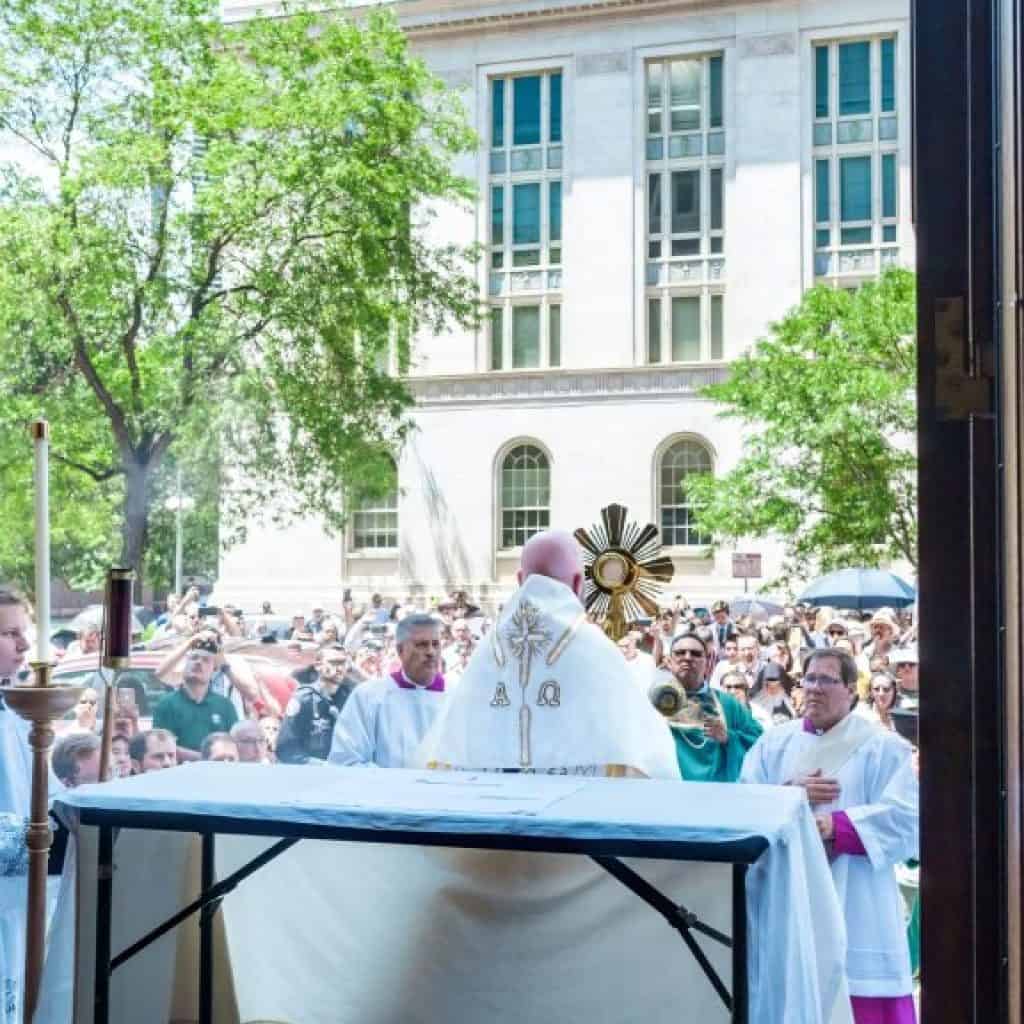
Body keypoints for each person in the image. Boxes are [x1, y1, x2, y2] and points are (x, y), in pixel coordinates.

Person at [741, 647, 918, 1023]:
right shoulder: (774, 744)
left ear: (852, 689)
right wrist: (786, 796)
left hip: (858, 903)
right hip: (790, 897)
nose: (815, 688)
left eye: (827, 679)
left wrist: (835, 827)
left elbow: (910, 819)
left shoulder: (882, 748)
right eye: (809, 678)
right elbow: (745, 805)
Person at [419, 530, 679, 778]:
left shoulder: (486, 652)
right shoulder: (597, 651)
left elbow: (445, 748)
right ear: (578, 583)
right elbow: (652, 758)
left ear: (520, 580)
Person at [328, 614, 448, 768]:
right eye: (422, 644)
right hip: (388, 790)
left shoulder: (457, 696)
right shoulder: (369, 696)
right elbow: (346, 760)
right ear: (400, 650)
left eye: (436, 644)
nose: (431, 652)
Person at [657, 633, 761, 782]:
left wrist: (729, 738)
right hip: (669, 787)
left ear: (707, 662)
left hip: (717, 792)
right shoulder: (653, 703)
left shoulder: (727, 704)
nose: (687, 657)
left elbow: (759, 743)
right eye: (680, 653)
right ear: (669, 661)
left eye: (696, 654)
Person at [152, 634, 239, 761]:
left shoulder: (225, 706)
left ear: (214, 670)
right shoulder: (166, 704)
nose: (198, 662)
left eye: (206, 660)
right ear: (184, 665)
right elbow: (161, 746)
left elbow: (235, 745)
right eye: (194, 658)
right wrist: (204, 760)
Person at [278, 645, 358, 764]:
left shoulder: (351, 699)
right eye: (334, 663)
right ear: (318, 666)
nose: (340, 668)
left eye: (343, 663)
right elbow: (286, 749)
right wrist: (321, 766)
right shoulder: (305, 699)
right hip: (312, 775)